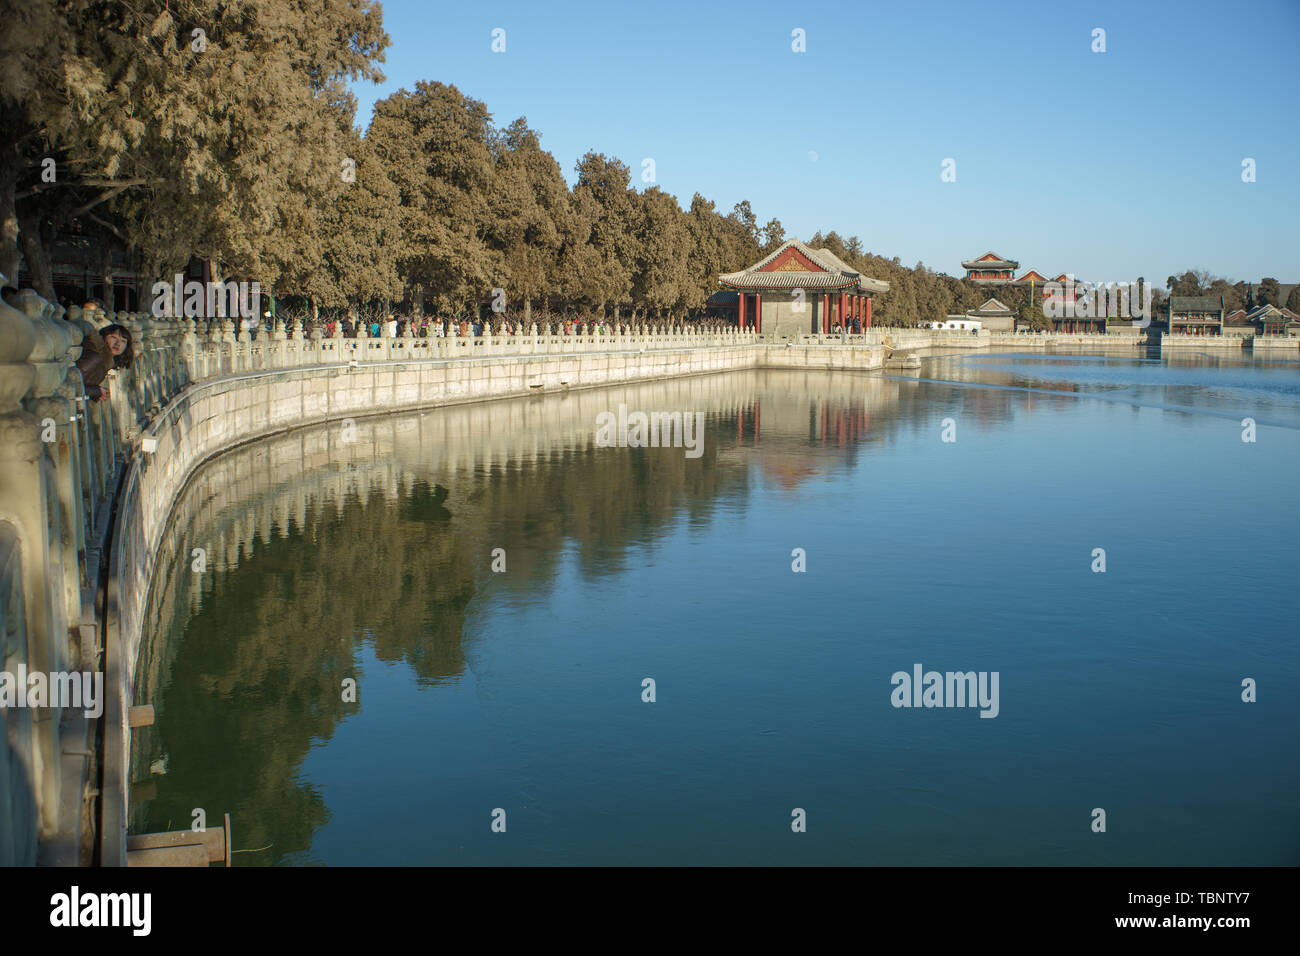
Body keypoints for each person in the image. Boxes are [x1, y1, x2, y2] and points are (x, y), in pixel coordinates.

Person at [76, 323, 133, 401]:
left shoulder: (106, 360)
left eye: (123, 341)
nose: (118, 343)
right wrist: (96, 392)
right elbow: (70, 384)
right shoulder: (94, 357)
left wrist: (97, 393)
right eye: (113, 337)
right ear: (104, 336)